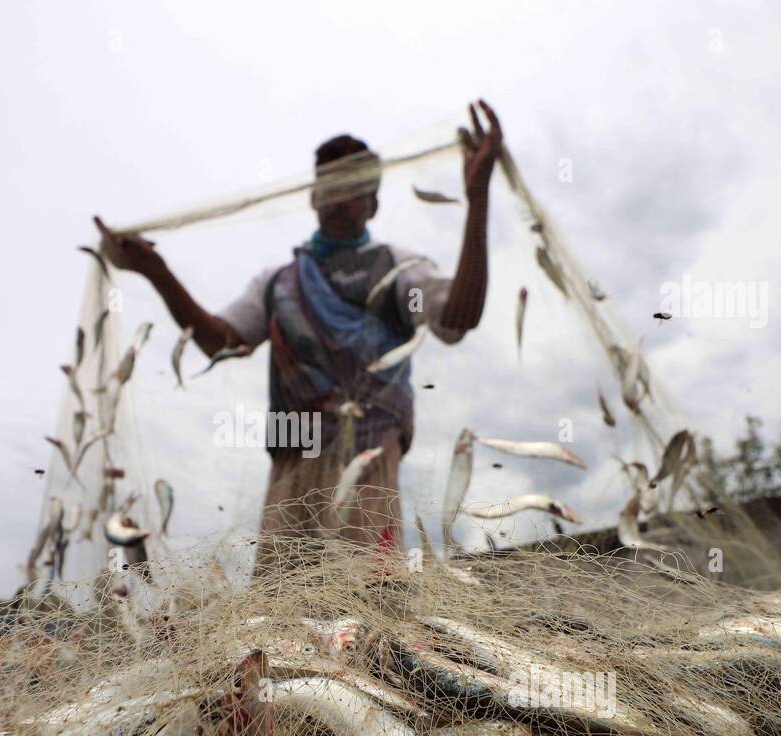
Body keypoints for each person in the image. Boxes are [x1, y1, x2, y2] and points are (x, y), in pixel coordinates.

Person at [94, 99, 502, 573]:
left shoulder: (399, 270)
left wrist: (477, 201)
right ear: (312, 196)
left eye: (354, 188)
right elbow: (221, 341)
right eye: (330, 186)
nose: (340, 199)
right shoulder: (279, 283)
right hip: (293, 454)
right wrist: (155, 269)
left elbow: (457, 318)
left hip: (367, 456)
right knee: (282, 621)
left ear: (373, 203)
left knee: (371, 614)